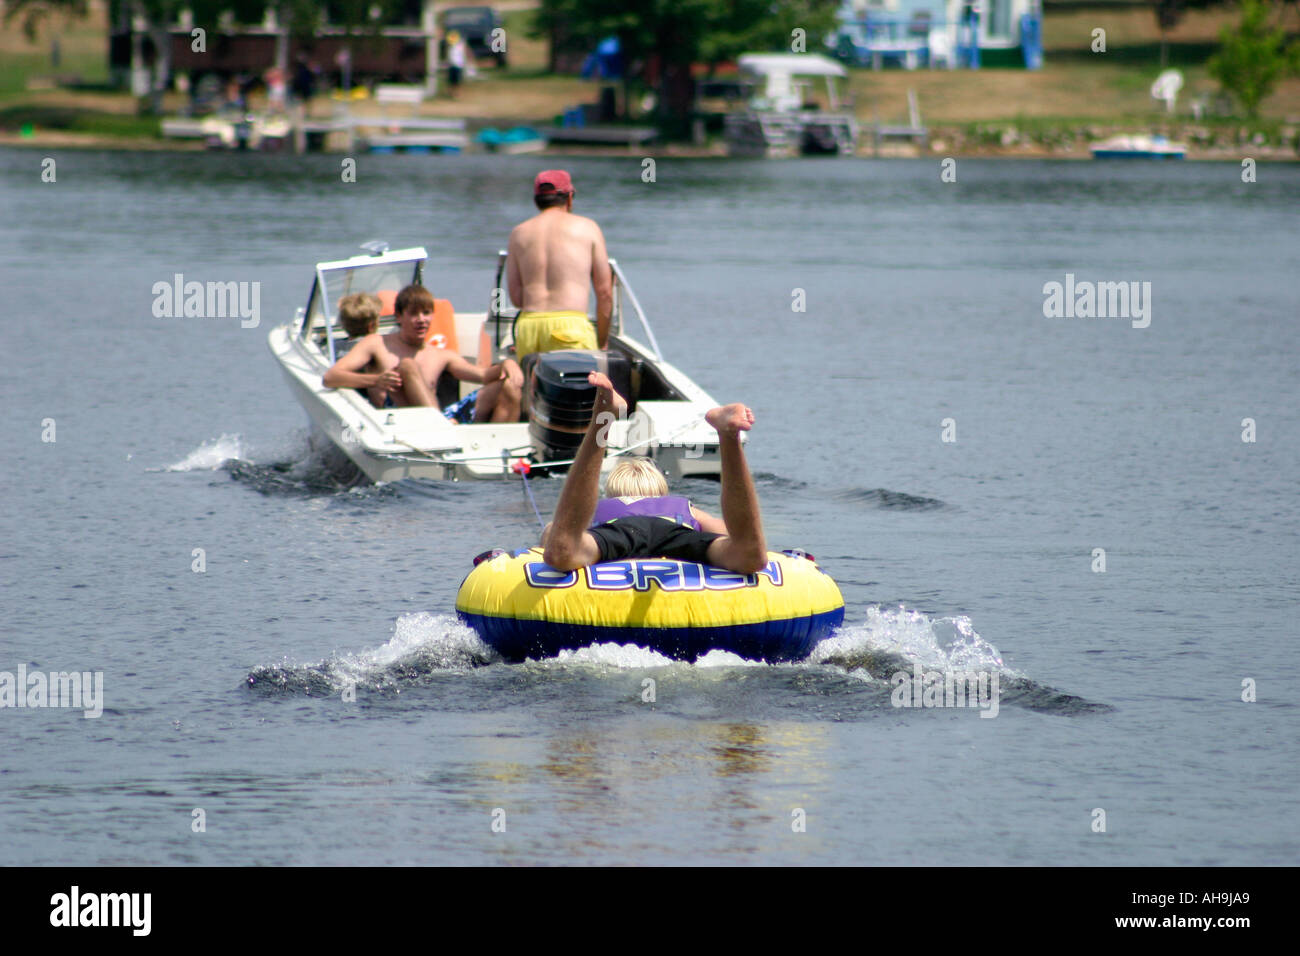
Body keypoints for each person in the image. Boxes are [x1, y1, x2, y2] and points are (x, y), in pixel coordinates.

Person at [540, 373, 767, 574]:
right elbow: (730, 533)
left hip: (618, 535)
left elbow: (555, 534)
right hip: (675, 534)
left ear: (612, 496)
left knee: (562, 551)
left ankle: (603, 419)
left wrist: (550, 536)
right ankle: (728, 435)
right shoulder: (684, 509)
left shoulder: (595, 512)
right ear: (662, 494)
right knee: (750, 555)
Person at [323, 284, 522, 423]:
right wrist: (376, 380)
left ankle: (498, 455)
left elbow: (484, 376)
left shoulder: (442, 355)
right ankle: (441, 428)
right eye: (414, 314)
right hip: (396, 422)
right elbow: (331, 377)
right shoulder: (376, 343)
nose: (421, 320)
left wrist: (508, 365)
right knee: (408, 365)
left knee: (509, 386)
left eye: (426, 313)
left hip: (442, 419)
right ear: (399, 317)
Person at [506, 170, 613, 362]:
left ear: (537, 200)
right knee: (581, 390)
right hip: (570, 328)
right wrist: (602, 342)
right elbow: (604, 293)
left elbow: (517, 298)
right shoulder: (587, 228)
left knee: (534, 391)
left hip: (529, 327)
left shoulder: (518, 233)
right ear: (569, 197)